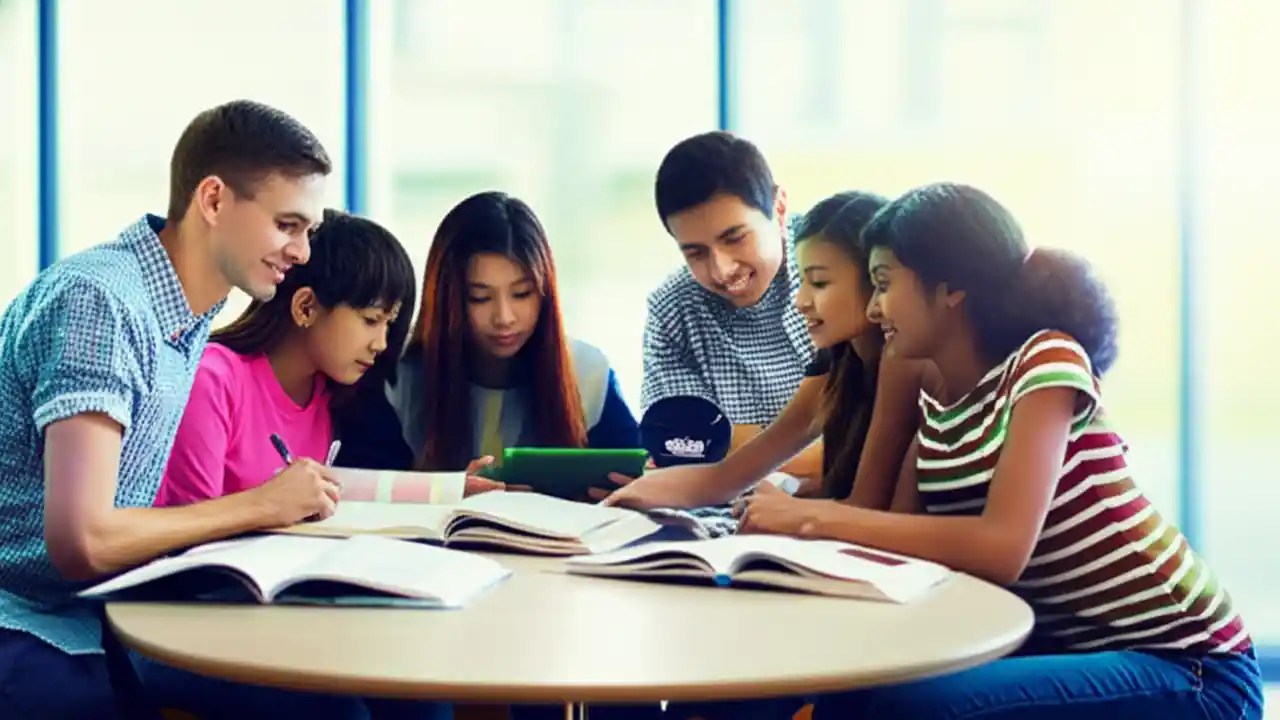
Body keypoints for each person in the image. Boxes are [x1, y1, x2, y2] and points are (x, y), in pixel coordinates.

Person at [735, 183, 1264, 719]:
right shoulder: (937, 403)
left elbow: (1002, 548)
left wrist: (812, 518)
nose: (873, 310)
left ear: (951, 288)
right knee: (854, 691)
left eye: (884, 285)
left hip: (1190, 662)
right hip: (1077, 651)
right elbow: (899, 548)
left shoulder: (1045, 362)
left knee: (910, 708)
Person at [0, 99, 342, 719]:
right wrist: (261, 505)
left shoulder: (188, 315)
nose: (302, 252)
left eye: (308, 231)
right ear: (213, 200)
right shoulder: (102, 303)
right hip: (26, 618)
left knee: (339, 699)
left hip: (101, 608)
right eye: (287, 225)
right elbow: (82, 541)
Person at [602, 190, 927, 516]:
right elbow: (726, 477)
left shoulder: (906, 364)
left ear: (874, 279)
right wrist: (632, 491)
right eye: (802, 281)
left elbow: (866, 510)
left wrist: (788, 512)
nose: (800, 301)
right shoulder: (836, 365)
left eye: (818, 283)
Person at [374, 190, 639, 477]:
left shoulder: (587, 374)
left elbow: (635, 474)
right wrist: (445, 492)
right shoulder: (398, 377)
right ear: (446, 299)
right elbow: (364, 486)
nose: (504, 317)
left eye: (522, 294)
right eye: (479, 298)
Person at [642, 131, 822, 485]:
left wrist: (728, 446)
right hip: (724, 512)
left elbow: (874, 442)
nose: (722, 270)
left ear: (779, 208)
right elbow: (679, 449)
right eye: (696, 253)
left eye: (735, 238)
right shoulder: (672, 310)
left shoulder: (838, 263)